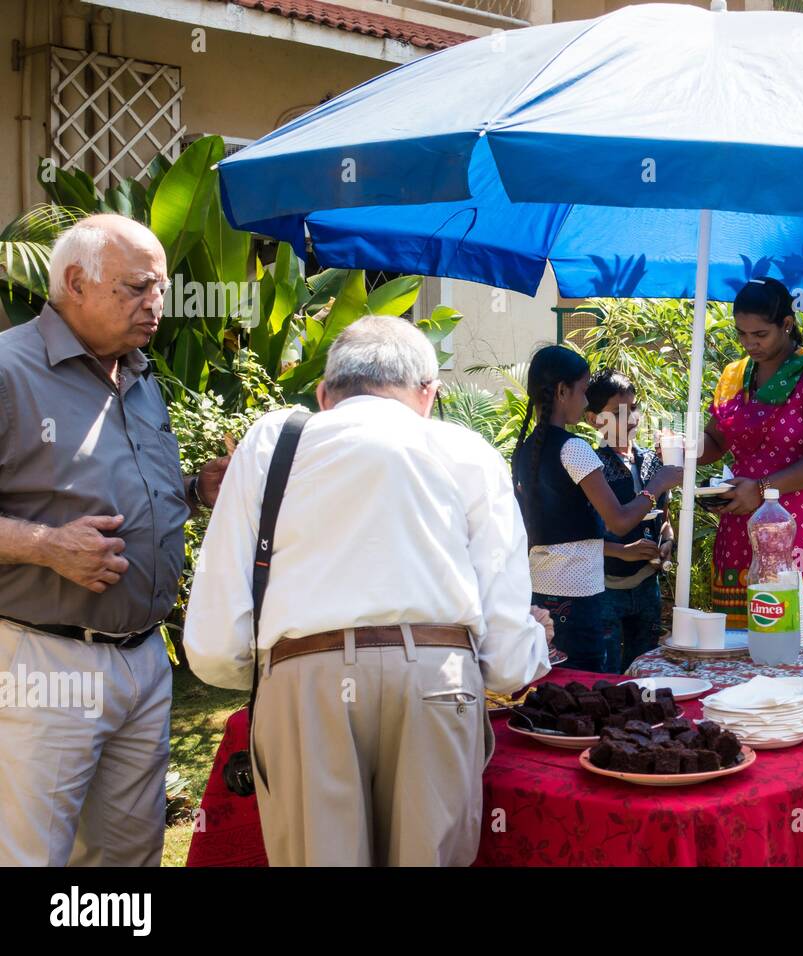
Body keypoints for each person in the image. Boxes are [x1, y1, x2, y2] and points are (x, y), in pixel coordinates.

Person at [183, 315, 553, 866]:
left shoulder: (273, 440)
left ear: (324, 393)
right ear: (429, 394)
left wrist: (266, 676)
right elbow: (503, 621)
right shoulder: (468, 451)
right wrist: (517, 663)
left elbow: (217, 627)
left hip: (308, 680)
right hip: (438, 680)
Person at [0, 213, 228, 866]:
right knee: (32, 855)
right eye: (137, 287)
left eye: (161, 289)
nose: (156, 304)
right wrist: (45, 545)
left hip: (145, 661)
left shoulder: (138, 374)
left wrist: (193, 490)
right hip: (46, 658)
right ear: (76, 281)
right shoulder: (10, 372)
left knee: (128, 856)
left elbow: (123, 491)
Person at [695, 277, 803, 628]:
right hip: (739, 525)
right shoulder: (735, 377)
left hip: (799, 524)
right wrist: (684, 448)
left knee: (793, 637)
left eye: (759, 334)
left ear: (787, 325)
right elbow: (716, 443)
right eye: (742, 334)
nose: (750, 344)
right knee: (736, 643)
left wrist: (761, 490)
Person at [512, 346, 683, 673]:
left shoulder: (526, 449)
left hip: (542, 589)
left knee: (556, 680)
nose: (587, 400)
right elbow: (618, 521)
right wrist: (656, 485)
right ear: (563, 391)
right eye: (584, 389)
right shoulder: (574, 448)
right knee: (587, 677)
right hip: (579, 593)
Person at [584, 369, 674, 671]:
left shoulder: (652, 461)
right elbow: (577, 535)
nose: (631, 418)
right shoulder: (591, 468)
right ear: (593, 419)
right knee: (607, 674)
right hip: (605, 587)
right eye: (617, 413)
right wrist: (620, 551)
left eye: (633, 408)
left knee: (646, 668)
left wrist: (668, 540)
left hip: (647, 585)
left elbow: (664, 516)